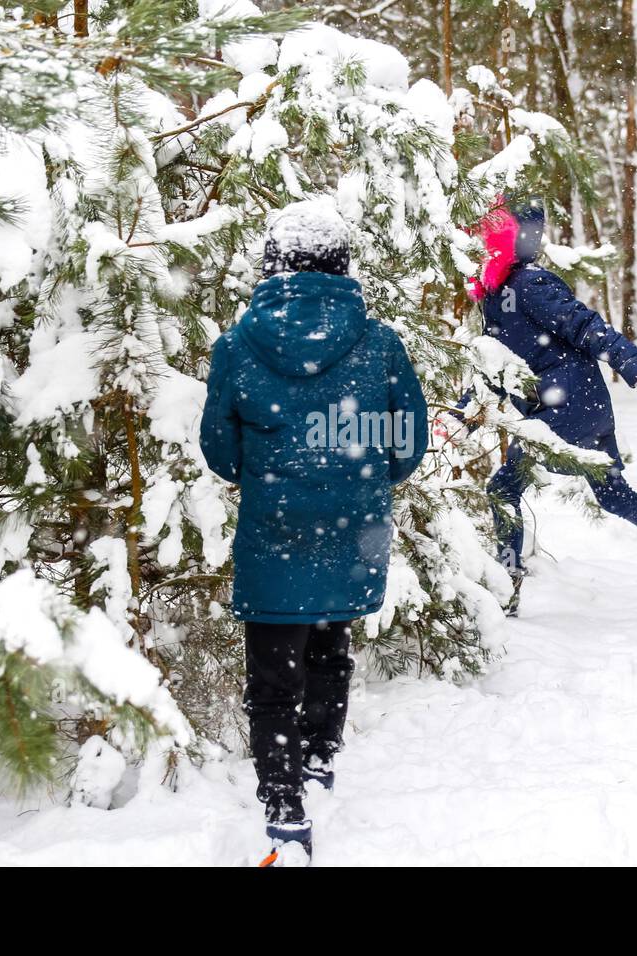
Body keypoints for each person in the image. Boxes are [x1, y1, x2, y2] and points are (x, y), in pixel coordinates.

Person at [199, 199, 429, 867]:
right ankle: (321, 759)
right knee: (332, 645)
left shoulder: (238, 346)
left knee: (272, 677)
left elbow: (221, 452)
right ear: (340, 264)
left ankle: (283, 803)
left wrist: (274, 463)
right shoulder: (379, 343)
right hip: (350, 529)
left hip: (274, 530)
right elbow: (407, 444)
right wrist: (358, 469)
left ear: (273, 264)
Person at [456, 194, 637, 617]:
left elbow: (587, 326)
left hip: (564, 407)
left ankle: (505, 592)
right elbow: (497, 368)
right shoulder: (499, 293)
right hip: (581, 404)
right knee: (613, 496)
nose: (481, 239)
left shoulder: (529, 284)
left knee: (502, 489)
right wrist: (460, 418)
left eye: (491, 230)